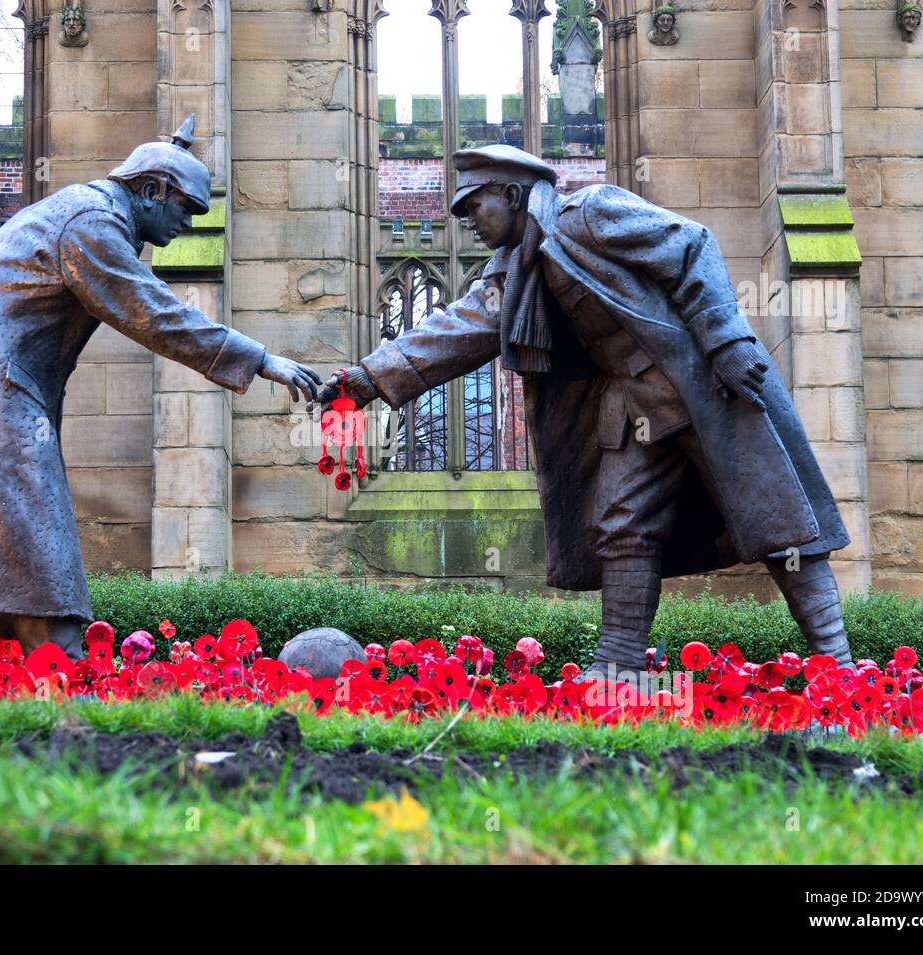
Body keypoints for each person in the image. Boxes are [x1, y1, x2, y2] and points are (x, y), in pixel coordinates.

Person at [317, 144, 854, 680]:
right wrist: (364, 380)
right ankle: (617, 670)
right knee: (622, 524)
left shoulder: (590, 213)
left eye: (474, 206)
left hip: (703, 384)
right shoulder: (514, 270)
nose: (468, 223)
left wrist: (728, 339)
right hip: (633, 402)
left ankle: (841, 673)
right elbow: (455, 329)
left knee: (779, 521)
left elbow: (692, 244)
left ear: (510, 194)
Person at [0, 116, 320, 662]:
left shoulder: (83, 210)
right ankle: (66, 671)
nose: (188, 226)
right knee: (35, 528)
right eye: (185, 209)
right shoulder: (92, 222)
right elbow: (154, 313)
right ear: (150, 190)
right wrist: (261, 359)